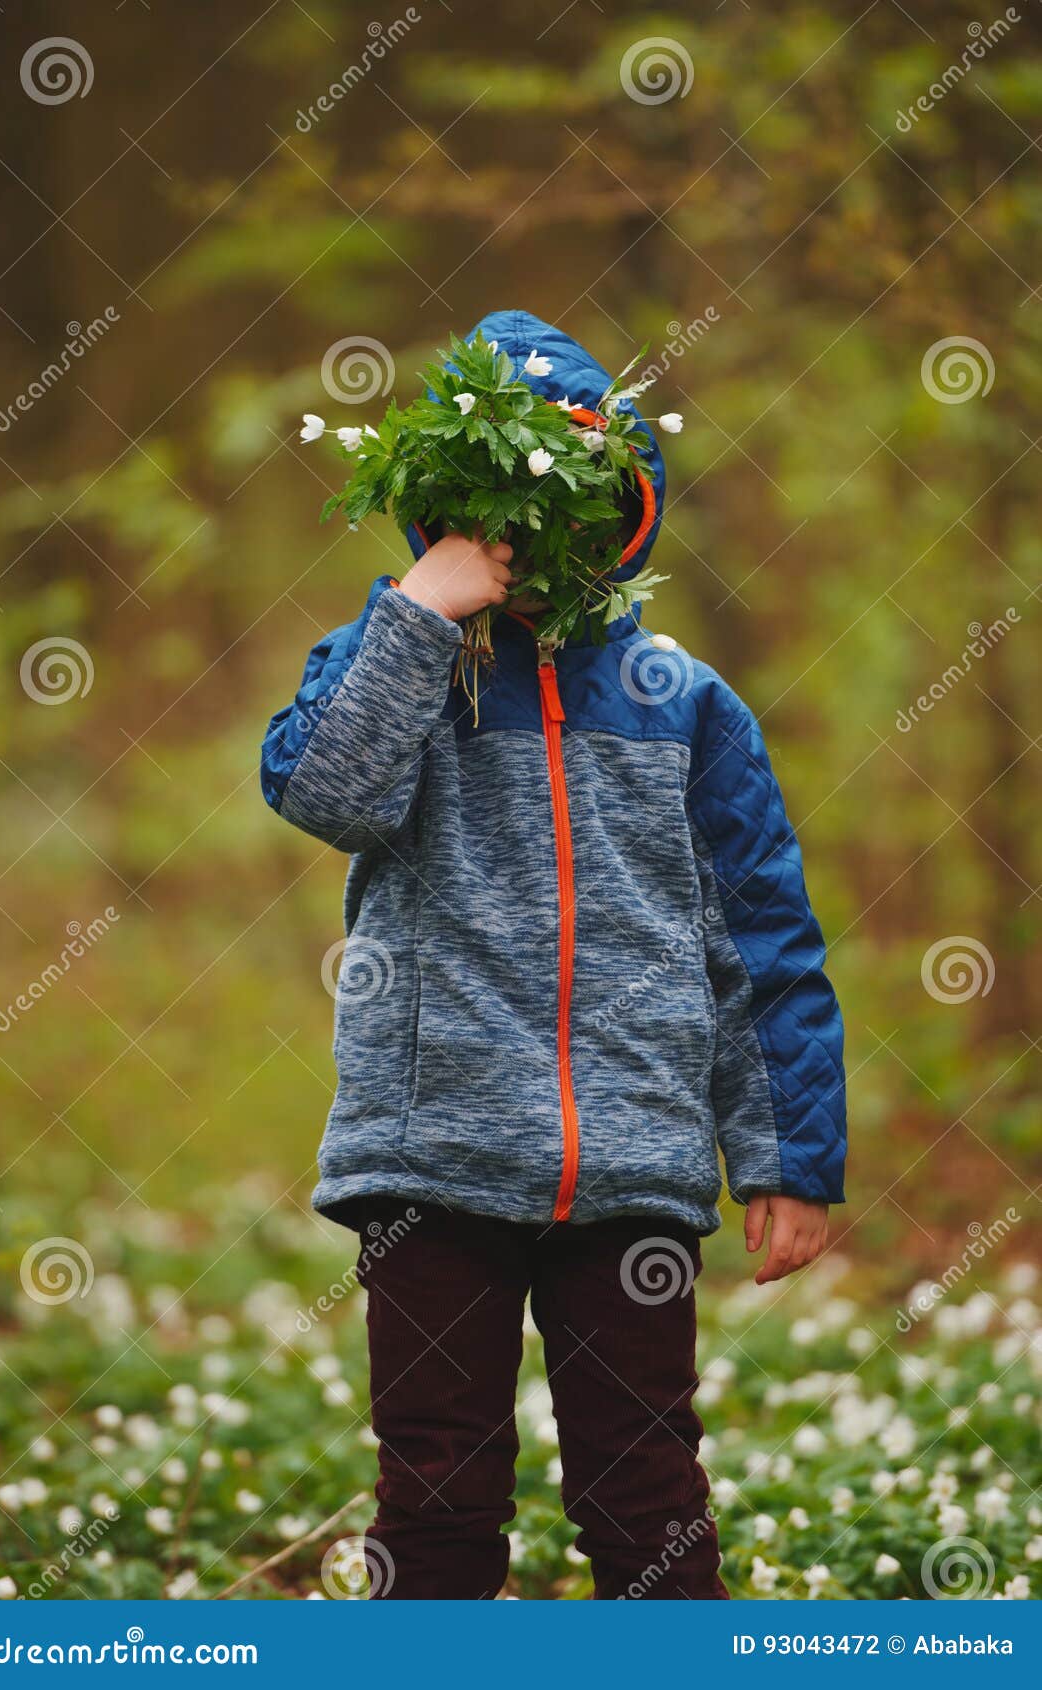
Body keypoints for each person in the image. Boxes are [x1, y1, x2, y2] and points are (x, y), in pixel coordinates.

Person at [260, 308, 846, 1599]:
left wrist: (787, 1149)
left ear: (617, 512)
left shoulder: (681, 700)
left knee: (645, 1495)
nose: (523, 549)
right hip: (429, 1160)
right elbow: (324, 790)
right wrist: (419, 615)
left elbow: (761, 934)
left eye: (562, 512)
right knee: (440, 1490)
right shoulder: (394, 664)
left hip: (632, 1163)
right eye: (487, 520)